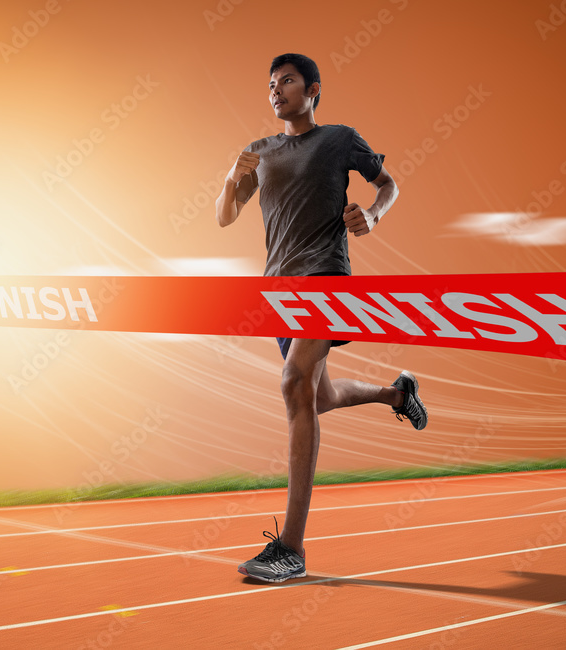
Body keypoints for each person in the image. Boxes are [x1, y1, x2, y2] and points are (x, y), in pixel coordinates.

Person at [215, 53, 428, 583]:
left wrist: (372, 214)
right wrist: (232, 176)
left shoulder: (338, 139)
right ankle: (396, 394)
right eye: (271, 83)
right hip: (279, 292)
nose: (276, 89)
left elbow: (389, 184)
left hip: (325, 276)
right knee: (319, 397)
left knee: (294, 384)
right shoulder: (260, 152)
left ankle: (291, 548)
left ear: (313, 90)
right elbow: (225, 216)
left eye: (287, 80)